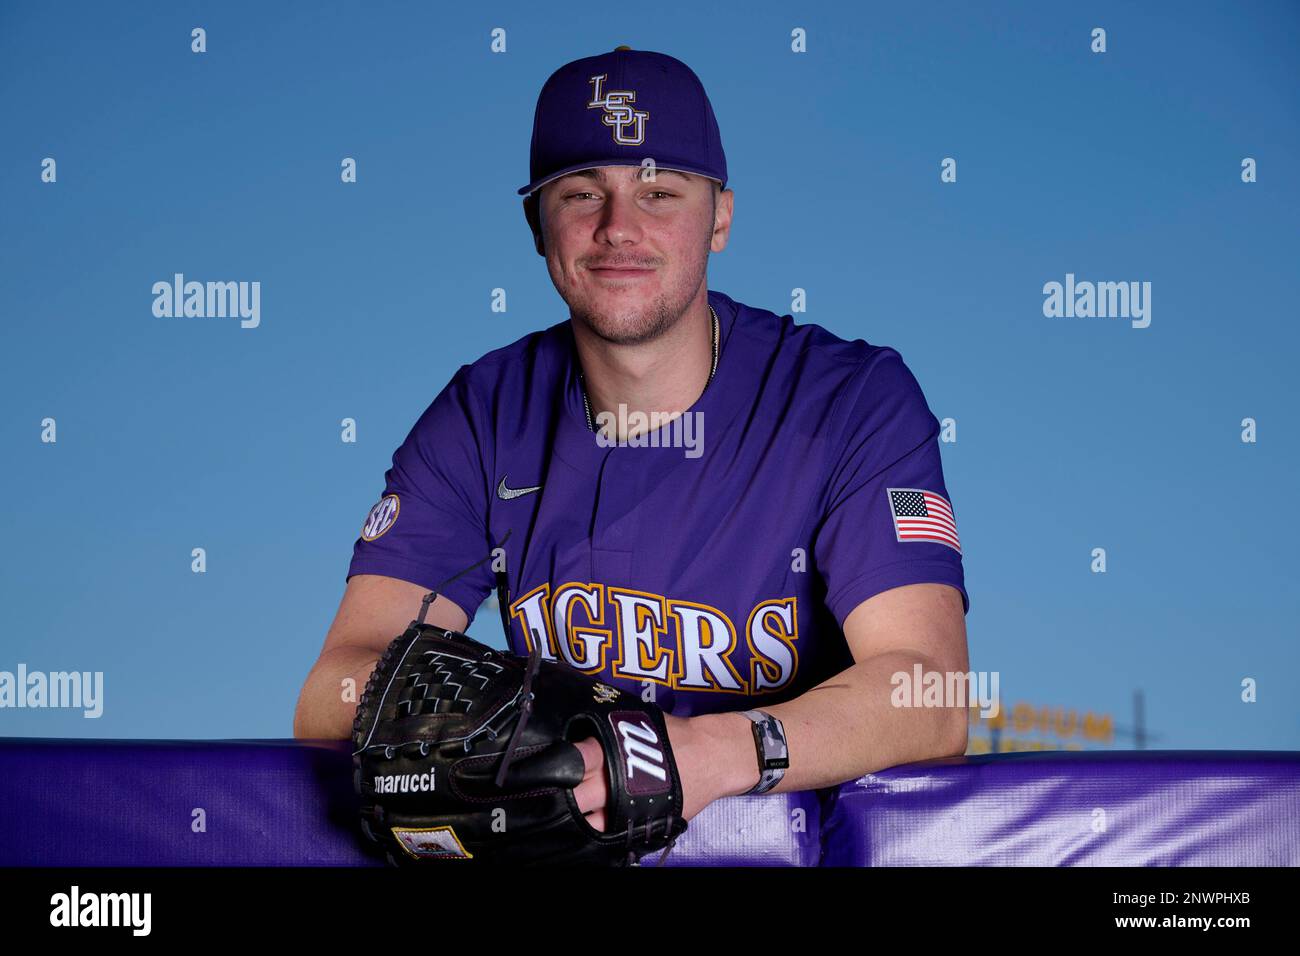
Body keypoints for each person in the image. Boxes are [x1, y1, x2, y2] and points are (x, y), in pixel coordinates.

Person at [295, 46, 970, 833]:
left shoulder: (849, 399)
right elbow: (332, 692)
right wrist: (507, 742)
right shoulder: (485, 413)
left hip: (790, 845)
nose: (620, 228)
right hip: (575, 843)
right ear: (536, 224)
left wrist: (698, 755)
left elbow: (931, 690)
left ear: (719, 217)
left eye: (659, 191)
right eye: (583, 193)